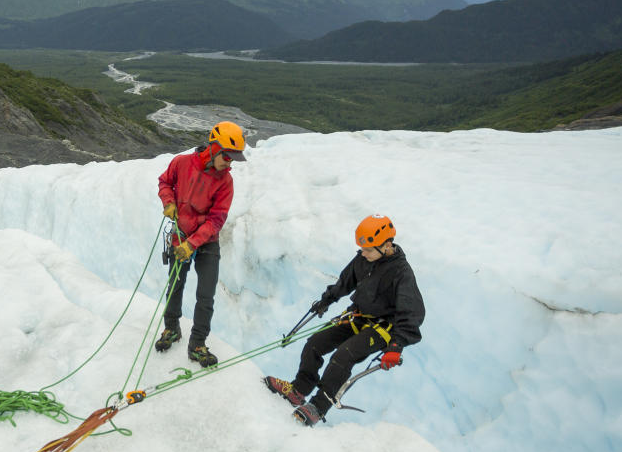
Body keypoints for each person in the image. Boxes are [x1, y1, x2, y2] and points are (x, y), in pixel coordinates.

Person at [264, 214, 425, 426]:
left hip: (384, 328)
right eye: (362, 249)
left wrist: (396, 344)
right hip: (358, 316)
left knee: (343, 355)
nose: (362, 253)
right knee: (314, 344)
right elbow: (345, 282)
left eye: (368, 249)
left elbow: (412, 313)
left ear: (386, 245)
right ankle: (299, 389)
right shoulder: (363, 259)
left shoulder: (402, 273)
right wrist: (326, 300)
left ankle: (318, 406)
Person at [154, 120, 247, 367]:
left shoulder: (225, 182)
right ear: (214, 148)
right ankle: (171, 328)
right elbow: (165, 182)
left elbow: (216, 220)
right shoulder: (182, 163)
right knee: (175, 285)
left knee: (205, 295)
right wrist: (168, 202)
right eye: (227, 157)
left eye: (233, 159)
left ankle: (197, 343)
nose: (229, 163)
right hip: (179, 235)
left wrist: (192, 244)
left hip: (206, 241)